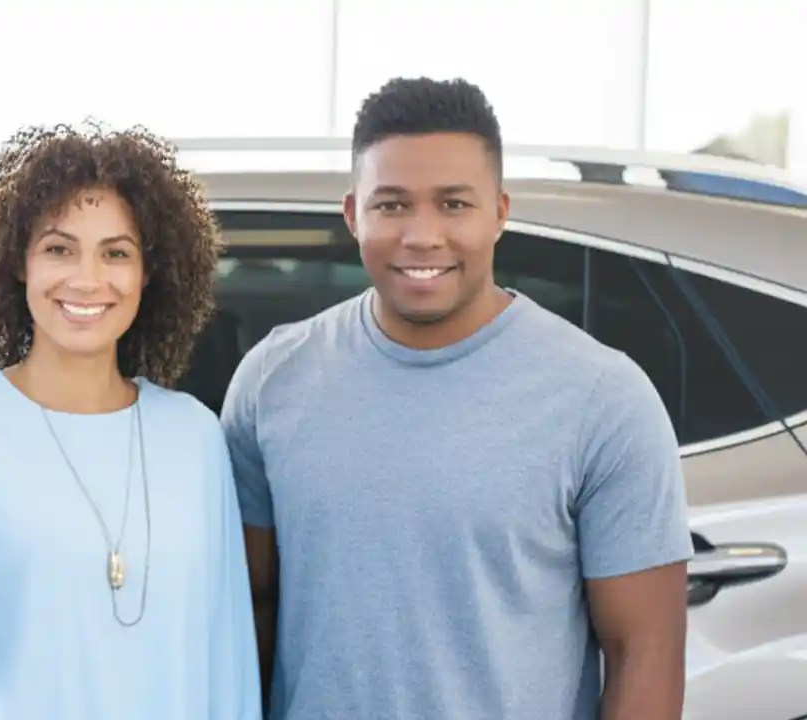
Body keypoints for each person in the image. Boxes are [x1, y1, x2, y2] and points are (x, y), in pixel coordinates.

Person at [221, 77, 693, 720]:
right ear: (353, 214)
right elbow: (249, 612)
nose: (422, 235)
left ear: (499, 212)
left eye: (453, 204)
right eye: (392, 205)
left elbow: (645, 653)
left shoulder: (603, 398)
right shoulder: (271, 381)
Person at [0, 122, 260, 719]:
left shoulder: (194, 434)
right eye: (59, 249)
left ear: (149, 272)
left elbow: (226, 660)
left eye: (116, 253)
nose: (87, 279)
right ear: (20, 262)